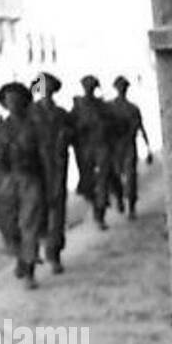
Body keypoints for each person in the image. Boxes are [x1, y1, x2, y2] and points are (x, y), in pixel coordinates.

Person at [0, 81, 48, 287]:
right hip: (6, 180)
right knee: (7, 225)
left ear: (24, 103)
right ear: (4, 104)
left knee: (29, 224)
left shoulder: (36, 128)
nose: (13, 104)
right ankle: (21, 256)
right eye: (8, 100)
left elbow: (45, 156)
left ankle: (29, 270)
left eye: (17, 100)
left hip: (30, 178)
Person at [28, 71, 75, 273]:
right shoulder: (29, 114)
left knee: (57, 212)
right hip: (34, 168)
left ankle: (54, 254)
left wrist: (67, 136)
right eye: (42, 88)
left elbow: (76, 137)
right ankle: (32, 253)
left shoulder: (62, 115)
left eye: (49, 89)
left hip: (57, 168)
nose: (45, 93)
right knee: (34, 212)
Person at [72, 74, 115, 229]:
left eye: (92, 87)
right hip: (84, 150)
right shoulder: (78, 106)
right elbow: (71, 128)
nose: (89, 90)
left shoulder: (102, 106)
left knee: (102, 181)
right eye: (86, 87)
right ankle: (95, 203)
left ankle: (100, 214)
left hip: (101, 147)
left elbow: (113, 127)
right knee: (87, 183)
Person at [107, 76, 153, 218]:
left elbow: (141, 127)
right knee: (115, 177)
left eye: (124, 88)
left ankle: (131, 207)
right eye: (120, 88)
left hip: (129, 146)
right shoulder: (109, 108)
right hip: (114, 147)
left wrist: (148, 148)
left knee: (131, 177)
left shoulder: (133, 108)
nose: (122, 90)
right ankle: (120, 198)